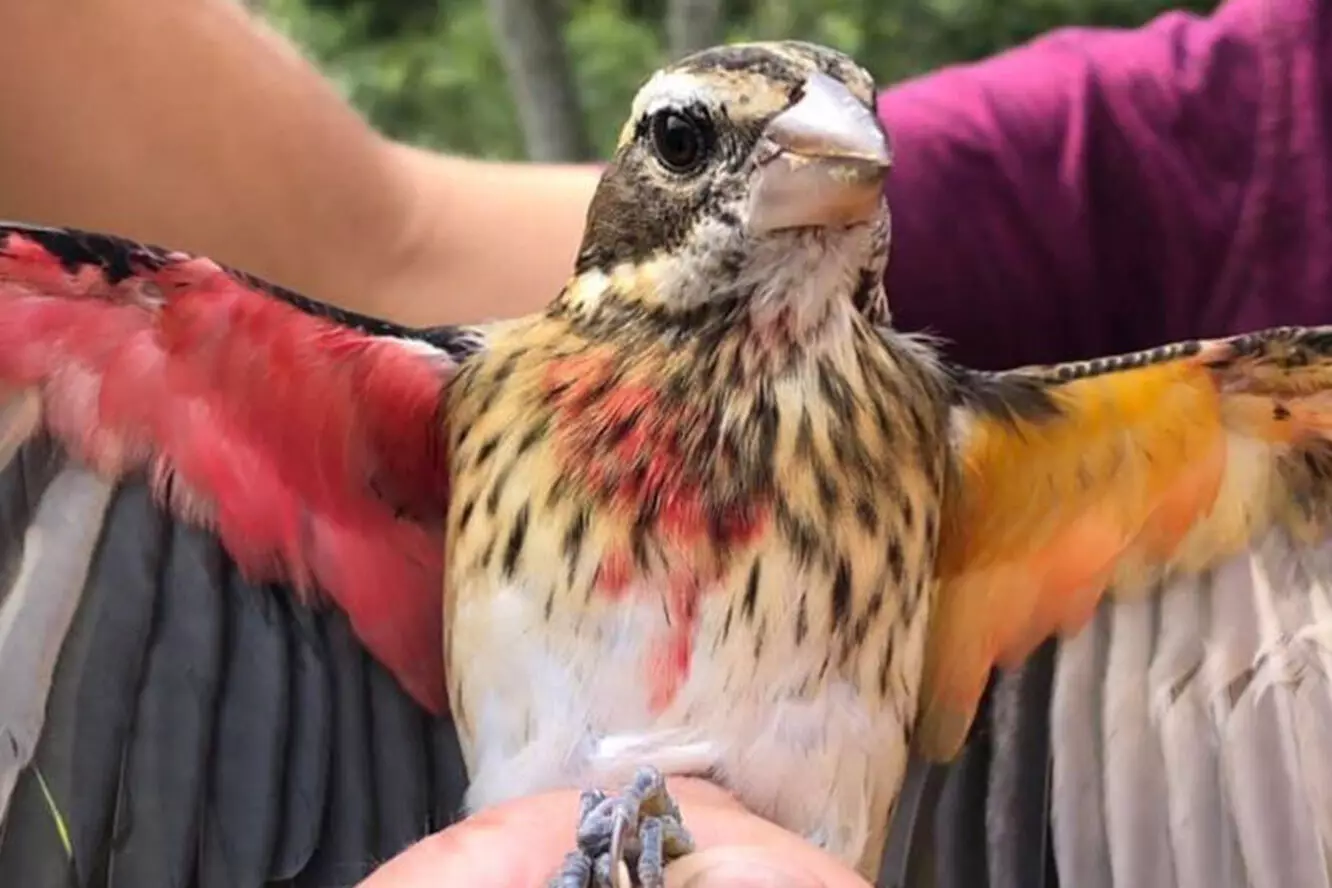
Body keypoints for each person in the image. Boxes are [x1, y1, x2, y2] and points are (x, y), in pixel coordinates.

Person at [2, 0, 1327, 884]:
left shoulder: (1016, 456)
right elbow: (374, 236)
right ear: (634, 183)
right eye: (695, 143)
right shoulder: (456, 409)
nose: (826, 153)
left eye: (846, 137)